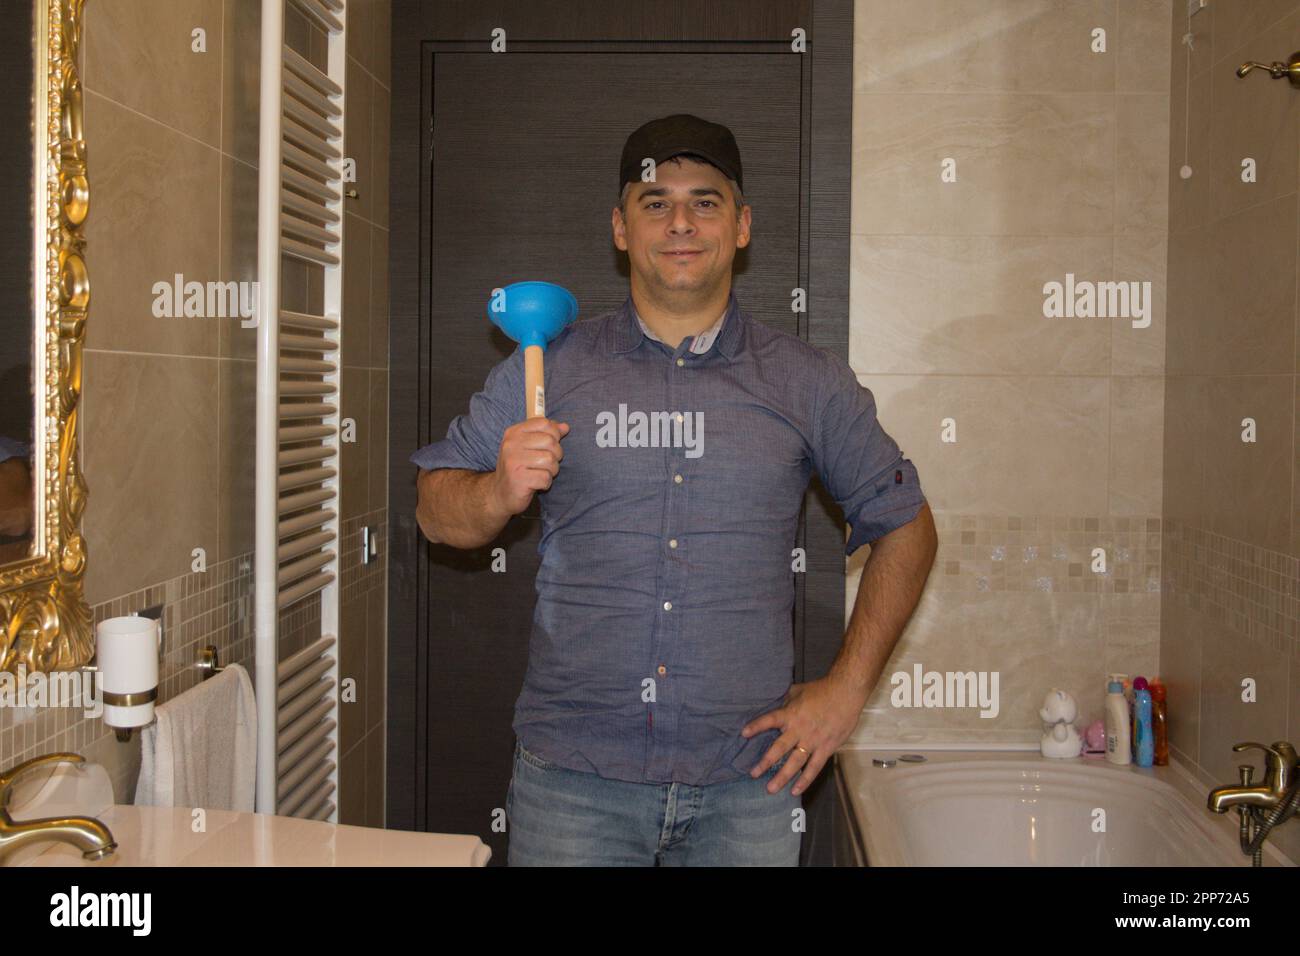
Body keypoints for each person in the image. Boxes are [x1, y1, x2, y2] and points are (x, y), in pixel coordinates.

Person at [411, 113, 937, 866]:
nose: (681, 222)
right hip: (574, 786)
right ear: (621, 228)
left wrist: (846, 692)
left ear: (742, 224)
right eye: (655, 202)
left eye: (706, 201)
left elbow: (907, 527)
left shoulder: (809, 383)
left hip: (747, 785)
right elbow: (435, 512)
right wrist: (496, 491)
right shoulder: (547, 369)